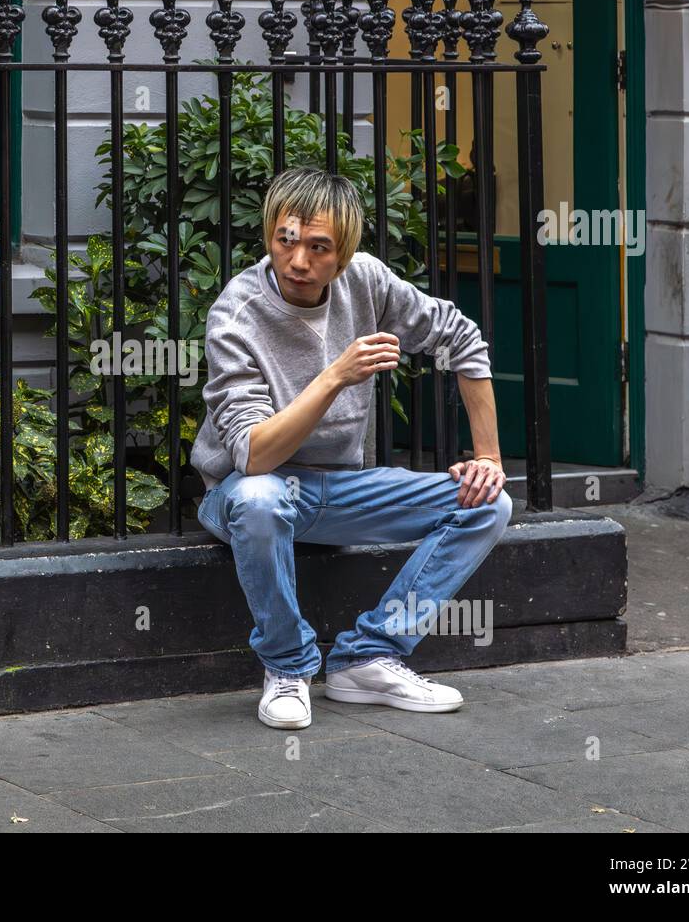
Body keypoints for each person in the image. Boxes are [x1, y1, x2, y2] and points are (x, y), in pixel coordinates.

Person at [191, 166, 512, 730]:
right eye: (286, 240)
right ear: (270, 233)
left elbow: (461, 337)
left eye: (319, 248)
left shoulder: (366, 281)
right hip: (245, 490)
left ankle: (369, 657)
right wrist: (333, 377)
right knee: (259, 498)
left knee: (487, 502)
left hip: (335, 488)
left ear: (343, 255)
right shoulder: (236, 312)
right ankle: (288, 667)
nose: (298, 262)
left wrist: (487, 457)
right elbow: (251, 454)